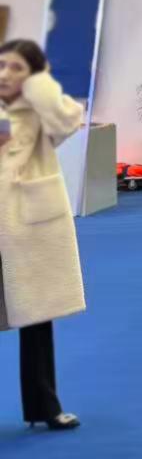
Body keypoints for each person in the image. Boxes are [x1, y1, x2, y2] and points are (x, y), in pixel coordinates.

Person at [0, 39, 84, 432]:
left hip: (25, 232)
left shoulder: (40, 109)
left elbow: (66, 123)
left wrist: (39, 84)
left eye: (17, 68)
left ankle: (45, 407)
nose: (6, 74)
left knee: (36, 323)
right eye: (2, 65)